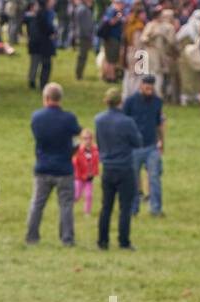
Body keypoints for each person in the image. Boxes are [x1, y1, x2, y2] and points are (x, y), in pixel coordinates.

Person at [26, 82, 82, 246]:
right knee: (66, 205)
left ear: (46, 98)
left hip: (43, 167)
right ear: (60, 99)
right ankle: (67, 238)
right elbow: (78, 136)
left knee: (37, 203)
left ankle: (32, 236)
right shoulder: (69, 118)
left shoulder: (36, 117)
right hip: (64, 168)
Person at [95, 86, 145, 250]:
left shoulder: (99, 120)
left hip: (107, 167)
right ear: (120, 102)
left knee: (106, 206)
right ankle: (123, 241)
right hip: (124, 167)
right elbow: (137, 142)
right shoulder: (127, 121)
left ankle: (102, 241)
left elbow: (99, 142)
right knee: (125, 207)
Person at [123, 73, 166, 216]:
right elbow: (124, 123)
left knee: (154, 177)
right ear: (141, 86)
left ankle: (156, 209)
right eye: (147, 88)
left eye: (151, 88)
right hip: (133, 147)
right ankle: (133, 208)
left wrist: (162, 142)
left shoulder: (157, 102)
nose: (149, 91)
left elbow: (159, 123)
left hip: (151, 146)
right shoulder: (129, 102)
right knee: (133, 180)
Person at [27, 0, 58, 90]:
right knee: (43, 64)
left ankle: (36, 81)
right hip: (41, 44)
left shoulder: (43, 13)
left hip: (39, 43)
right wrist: (52, 31)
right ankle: (41, 83)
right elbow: (46, 28)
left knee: (37, 63)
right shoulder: (43, 13)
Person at [74, 126, 100, 215]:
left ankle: (87, 212)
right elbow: (74, 163)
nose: (87, 140)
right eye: (85, 138)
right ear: (81, 139)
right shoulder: (78, 150)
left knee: (89, 195)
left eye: (90, 138)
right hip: (79, 177)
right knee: (76, 195)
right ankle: (68, 206)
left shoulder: (95, 149)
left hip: (89, 177)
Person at [100, 0, 127, 83]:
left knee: (111, 59)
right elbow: (110, 22)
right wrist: (118, 17)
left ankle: (108, 76)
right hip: (111, 38)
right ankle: (111, 77)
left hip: (113, 38)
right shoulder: (112, 11)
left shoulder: (113, 11)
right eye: (122, 3)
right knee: (112, 59)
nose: (123, 6)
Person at [71, 0, 96, 80]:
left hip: (82, 35)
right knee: (82, 56)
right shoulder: (83, 9)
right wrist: (89, 35)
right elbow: (84, 25)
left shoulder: (82, 8)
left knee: (82, 55)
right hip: (83, 36)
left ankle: (79, 73)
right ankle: (79, 74)